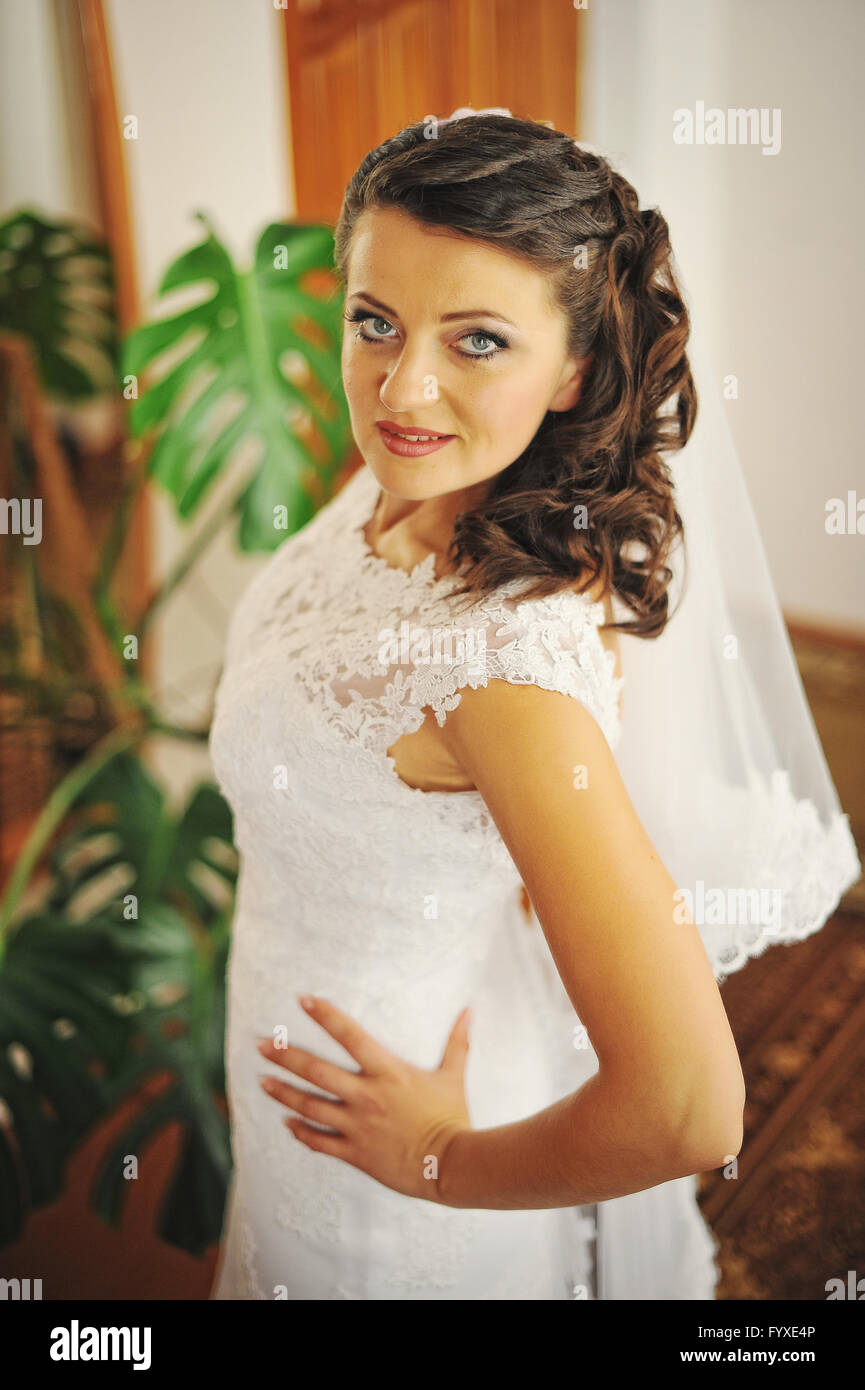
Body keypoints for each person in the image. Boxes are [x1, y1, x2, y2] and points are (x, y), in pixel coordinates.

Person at [208, 110, 859, 1300]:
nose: (403, 386)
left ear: (573, 370)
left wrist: (435, 1158)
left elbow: (687, 1104)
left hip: (381, 1186)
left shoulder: (502, 667)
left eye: (479, 342)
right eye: (375, 322)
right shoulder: (411, 480)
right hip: (306, 1083)